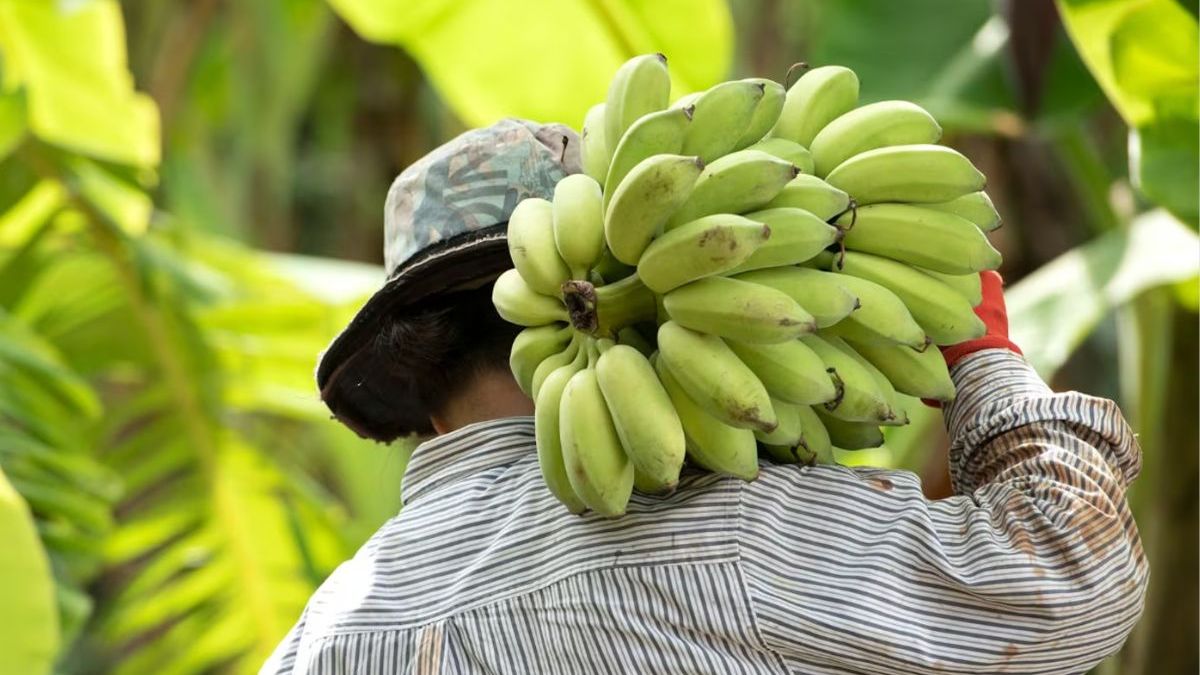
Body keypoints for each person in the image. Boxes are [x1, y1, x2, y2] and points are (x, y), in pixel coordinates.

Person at [261, 119, 1147, 674]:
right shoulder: (725, 529)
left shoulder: (318, 635)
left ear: (412, 379)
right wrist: (984, 355)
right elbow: (1072, 579)